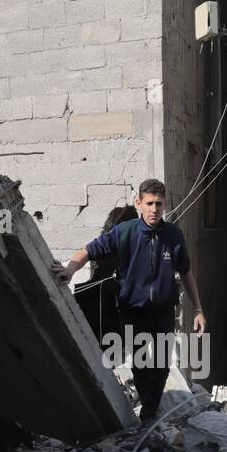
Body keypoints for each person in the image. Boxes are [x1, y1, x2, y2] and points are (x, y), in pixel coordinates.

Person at [56, 178, 206, 422]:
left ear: (165, 204)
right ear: (139, 203)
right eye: (149, 203)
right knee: (141, 367)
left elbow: (186, 271)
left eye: (158, 204)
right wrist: (70, 270)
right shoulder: (124, 233)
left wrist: (198, 309)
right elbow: (88, 251)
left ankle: (148, 416)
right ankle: (147, 412)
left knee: (160, 369)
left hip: (163, 313)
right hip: (132, 312)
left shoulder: (173, 235)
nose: (154, 209)